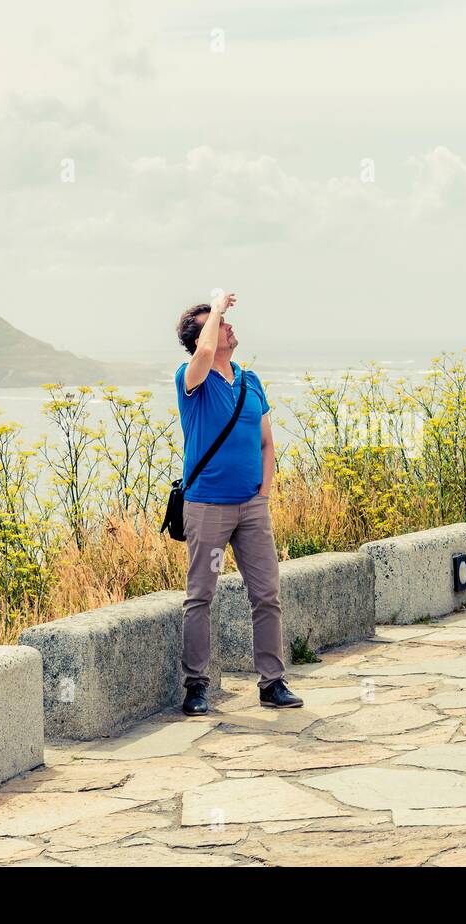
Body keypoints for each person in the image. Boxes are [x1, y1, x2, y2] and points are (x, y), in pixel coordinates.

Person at [173, 292, 303, 714]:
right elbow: (207, 350)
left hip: (251, 509)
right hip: (208, 508)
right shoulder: (191, 378)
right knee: (201, 596)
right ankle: (196, 685)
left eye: (225, 320)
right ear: (200, 337)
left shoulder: (250, 382)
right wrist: (215, 304)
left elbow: (267, 443)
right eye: (218, 322)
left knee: (266, 594)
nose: (228, 325)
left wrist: (263, 494)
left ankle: (272, 682)